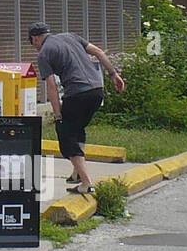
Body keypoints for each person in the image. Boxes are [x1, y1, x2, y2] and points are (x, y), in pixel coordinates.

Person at [27, 22, 125, 195]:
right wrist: (113, 74)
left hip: (77, 94)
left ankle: (86, 183)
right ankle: (76, 173)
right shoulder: (71, 36)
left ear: (35, 39)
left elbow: (51, 86)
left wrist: (57, 116)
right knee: (78, 127)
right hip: (96, 91)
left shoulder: (44, 53)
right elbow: (99, 52)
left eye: (32, 42)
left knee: (66, 133)